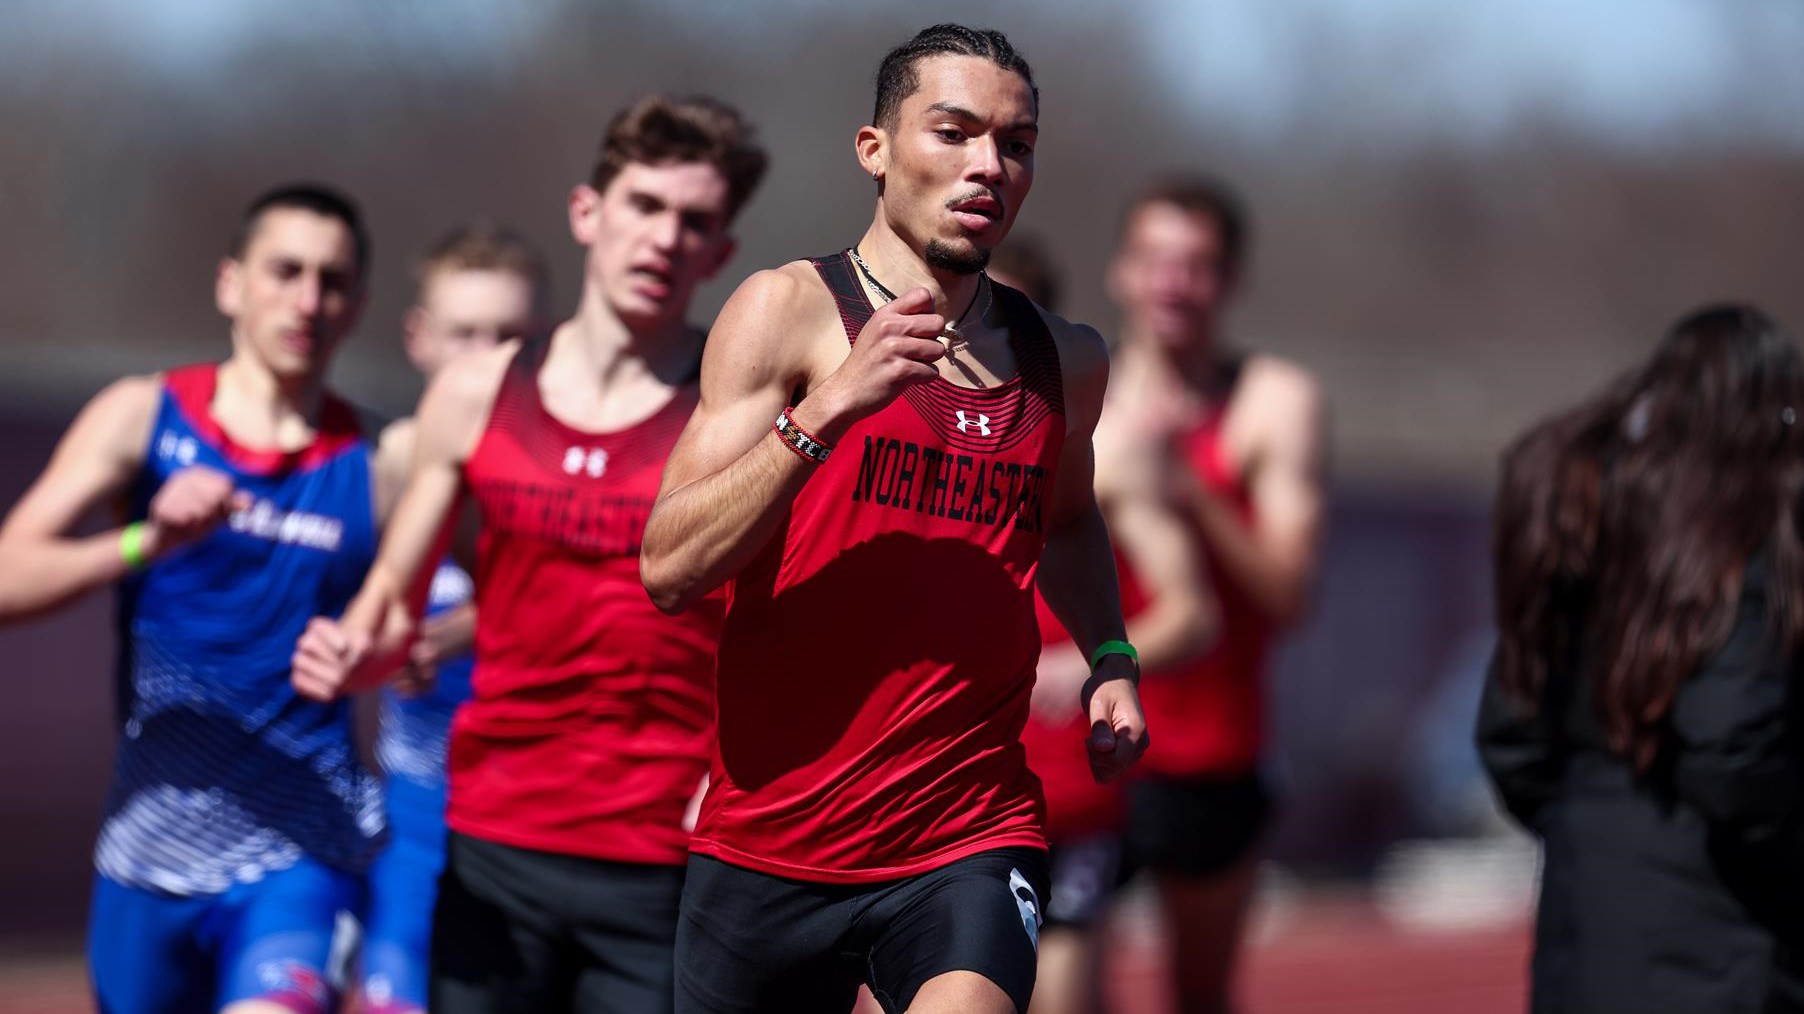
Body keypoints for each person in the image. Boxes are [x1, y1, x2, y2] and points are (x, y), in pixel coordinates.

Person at [639, 24, 1148, 1014]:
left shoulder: (1065, 360)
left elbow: (1073, 521)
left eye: (1015, 143)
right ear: (873, 149)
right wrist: (827, 407)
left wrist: (1113, 660)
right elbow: (669, 567)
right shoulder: (786, 311)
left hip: (966, 830)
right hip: (772, 840)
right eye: (952, 133)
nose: (986, 167)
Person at [291, 94, 768, 1014]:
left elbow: (789, 625)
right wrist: (356, 648)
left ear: (721, 255)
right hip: (496, 846)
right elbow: (395, 600)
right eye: (644, 206)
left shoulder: (738, 418)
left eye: (695, 221)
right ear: (588, 213)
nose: (665, 239)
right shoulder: (475, 394)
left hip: (666, 862)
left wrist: (732, 772)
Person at [0, 183, 408, 1014]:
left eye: (332, 281)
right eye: (284, 271)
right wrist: (145, 539)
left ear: (358, 303)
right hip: (146, 856)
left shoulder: (381, 460)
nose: (307, 300)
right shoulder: (141, 417)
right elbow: (9, 576)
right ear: (231, 284)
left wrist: (378, 657)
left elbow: (463, 613)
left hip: (305, 852)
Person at [1480, 304, 1804, 1014]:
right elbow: (1731, 746)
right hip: (1723, 939)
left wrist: (1591, 827)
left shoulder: (1574, 529)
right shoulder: (1747, 535)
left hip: (1584, 917)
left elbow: (1511, 734)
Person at [1087, 177, 1326, 1014]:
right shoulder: (1076, 390)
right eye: (1155, 260)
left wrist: (1188, 484)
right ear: (1121, 271)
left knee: (1198, 996)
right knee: (1053, 988)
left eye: (1197, 265)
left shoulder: (1272, 404)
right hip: (1084, 745)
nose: (1172, 283)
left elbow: (1290, 594)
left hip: (1212, 751)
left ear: (1230, 282)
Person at [360, 224, 549, 1014]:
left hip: (535, 806)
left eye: (509, 336)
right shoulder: (395, 461)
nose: (486, 356)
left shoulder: (558, 475)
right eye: (465, 333)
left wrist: (464, 627)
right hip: (416, 802)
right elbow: (358, 621)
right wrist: (387, 646)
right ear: (419, 339)